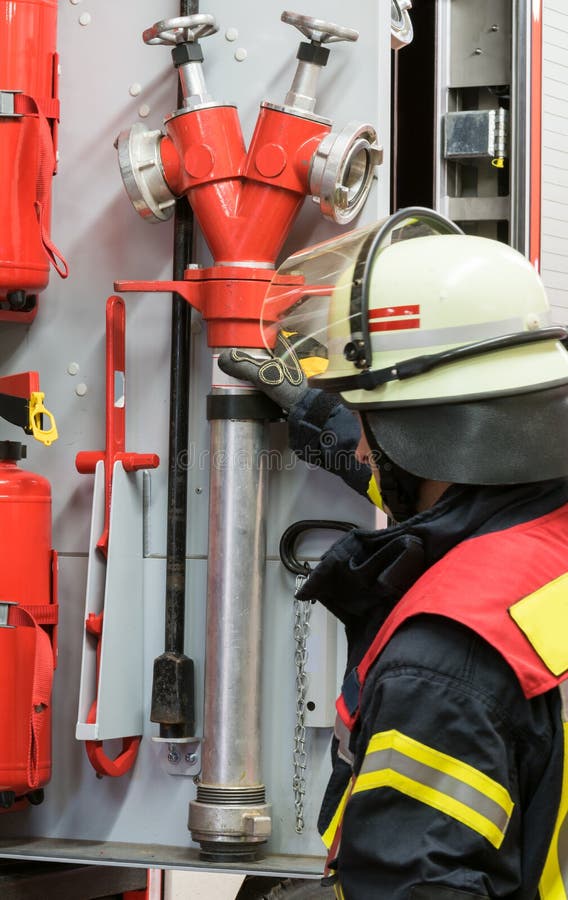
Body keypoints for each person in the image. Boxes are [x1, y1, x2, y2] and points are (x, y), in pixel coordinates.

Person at [219, 208, 568, 899]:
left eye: (368, 424)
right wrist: (321, 411)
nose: (358, 450)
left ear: (425, 433)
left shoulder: (442, 662)